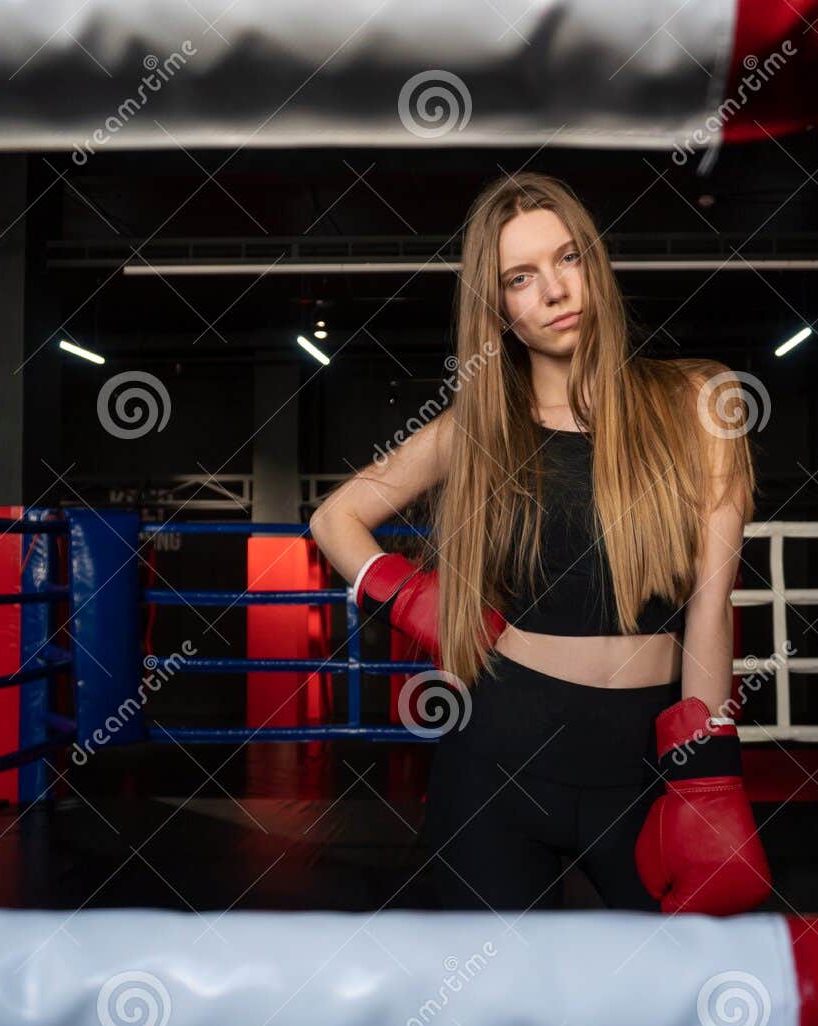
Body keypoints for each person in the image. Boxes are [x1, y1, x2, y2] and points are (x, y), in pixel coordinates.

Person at [309, 171, 770, 916]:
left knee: (682, 980)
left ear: (596, 262)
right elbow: (335, 517)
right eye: (520, 278)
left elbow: (710, 609)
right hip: (498, 758)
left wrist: (706, 775)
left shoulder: (697, 403)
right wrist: (418, 602)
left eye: (568, 258)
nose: (555, 291)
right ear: (498, 309)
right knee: (495, 991)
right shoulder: (477, 429)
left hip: (643, 767)